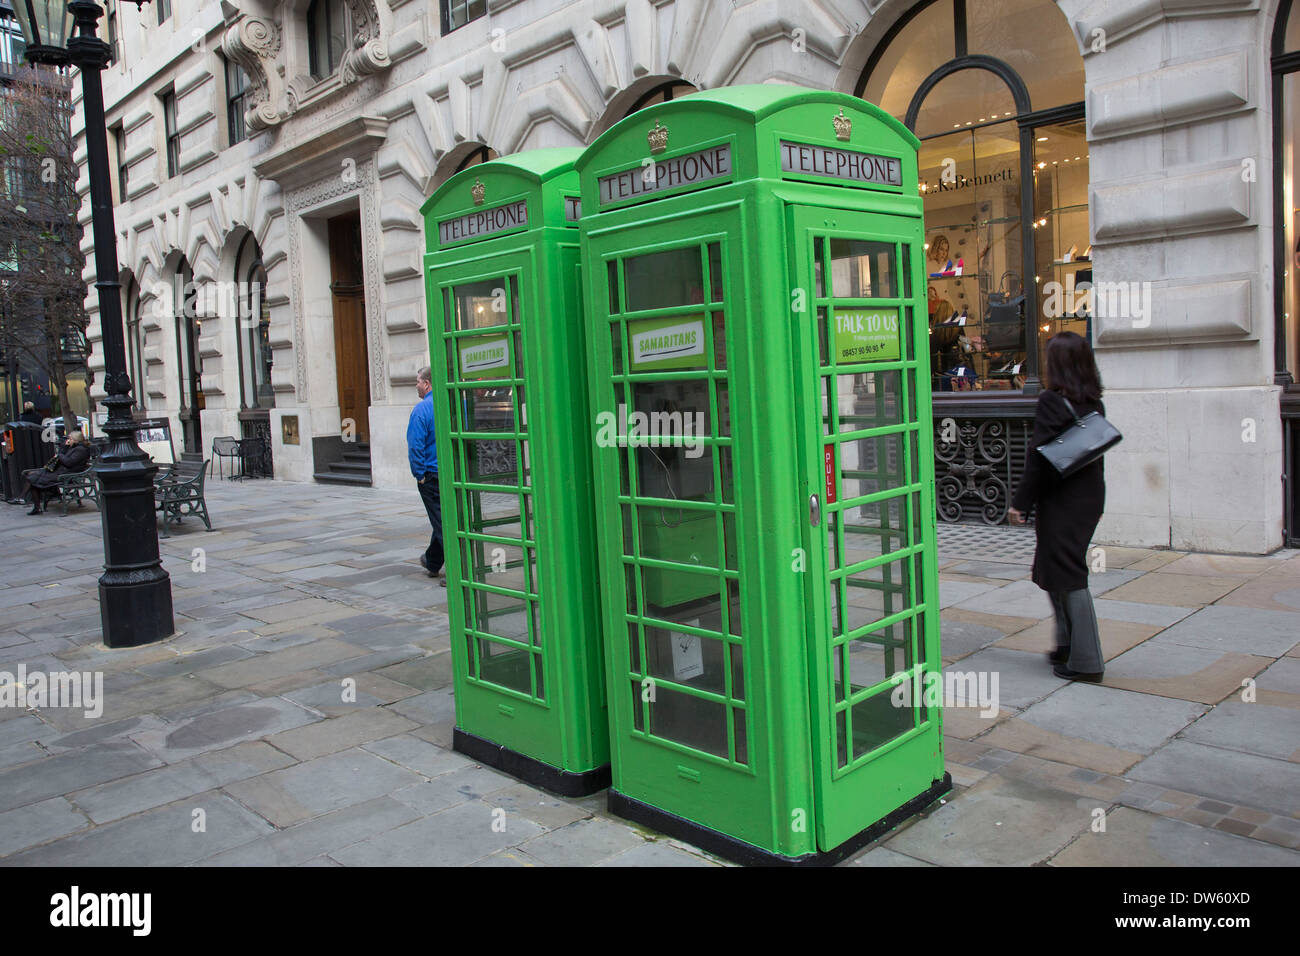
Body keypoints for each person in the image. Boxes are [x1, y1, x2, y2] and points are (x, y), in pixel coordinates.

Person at [1007, 332, 1107, 682]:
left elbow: (1038, 456)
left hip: (1063, 501)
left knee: (1068, 574)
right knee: (1056, 571)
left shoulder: (1052, 400)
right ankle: (1066, 644)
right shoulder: (1093, 400)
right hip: (1089, 497)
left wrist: (1021, 503)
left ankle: (1087, 661)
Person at [407, 366, 445, 586]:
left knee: (442, 523)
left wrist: (419, 474)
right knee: (443, 518)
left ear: (427, 384)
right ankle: (432, 561)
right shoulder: (455, 404)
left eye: (418, 381)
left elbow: (415, 445)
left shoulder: (422, 410)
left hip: (431, 476)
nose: (416, 385)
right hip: (452, 474)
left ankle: (458, 572)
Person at [21, 430, 91, 515]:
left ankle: (24, 499)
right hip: (61, 472)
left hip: (66, 475)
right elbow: (62, 455)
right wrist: (65, 447)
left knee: (32, 479)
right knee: (32, 477)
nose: (68, 440)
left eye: (70, 438)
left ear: (76, 440)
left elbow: (68, 462)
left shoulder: (80, 450)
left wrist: (59, 455)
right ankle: (32, 504)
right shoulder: (73, 447)